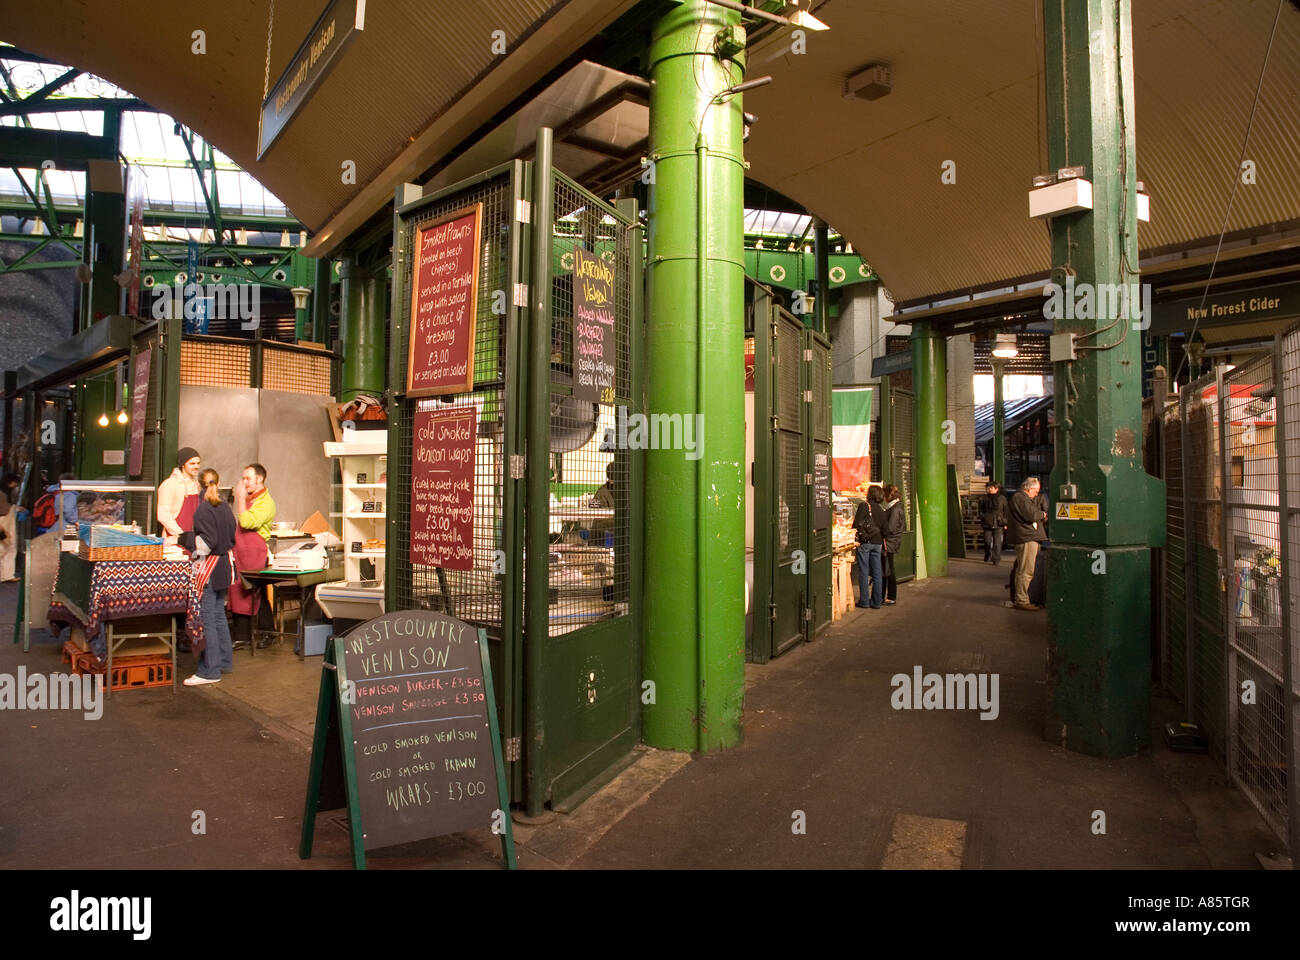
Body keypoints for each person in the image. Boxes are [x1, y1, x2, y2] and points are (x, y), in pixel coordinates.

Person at [180, 468, 237, 686]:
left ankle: (209, 671)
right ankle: (223, 661)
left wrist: (184, 538)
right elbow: (229, 536)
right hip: (224, 567)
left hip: (210, 568)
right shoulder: (225, 507)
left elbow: (206, 544)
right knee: (218, 616)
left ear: (198, 486)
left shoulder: (203, 509)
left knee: (207, 619)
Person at [231, 463, 276, 649]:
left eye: (248, 478)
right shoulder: (250, 499)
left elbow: (247, 522)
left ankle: (268, 632)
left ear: (260, 479)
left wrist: (240, 499)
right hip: (241, 550)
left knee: (257, 591)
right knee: (238, 590)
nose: (244, 482)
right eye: (243, 478)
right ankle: (242, 636)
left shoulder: (266, 503)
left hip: (256, 551)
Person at [1006, 476, 1047, 610]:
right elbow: (1032, 515)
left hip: (1026, 537)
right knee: (1026, 571)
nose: (1037, 494)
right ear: (1030, 489)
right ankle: (1022, 600)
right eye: (1036, 491)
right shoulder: (1020, 498)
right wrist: (1042, 514)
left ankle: (1020, 598)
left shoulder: (1021, 498)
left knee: (1023, 570)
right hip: (1026, 538)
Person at [158, 447, 201, 538]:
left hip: (194, 538)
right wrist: (181, 535)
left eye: (198, 463)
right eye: (192, 463)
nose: (196, 466)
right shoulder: (169, 484)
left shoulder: (196, 484)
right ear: (182, 465)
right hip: (175, 538)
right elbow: (163, 515)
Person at [853, 486, 884, 609]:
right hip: (877, 543)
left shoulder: (864, 506)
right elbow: (886, 529)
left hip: (865, 543)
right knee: (877, 573)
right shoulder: (881, 509)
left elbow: (856, 524)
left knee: (864, 572)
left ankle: (864, 601)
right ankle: (876, 602)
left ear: (869, 494)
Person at [878, 483, 905, 605]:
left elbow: (890, 527)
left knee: (888, 569)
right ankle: (886, 596)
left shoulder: (894, 509)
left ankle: (891, 596)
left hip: (890, 542)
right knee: (887, 569)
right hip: (892, 541)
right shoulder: (896, 507)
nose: (883, 498)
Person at [980, 481, 1008, 564]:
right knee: (987, 541)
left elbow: (1006, 511)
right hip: (987, 522)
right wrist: (983, 517)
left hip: (998, 523)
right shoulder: (984, 498)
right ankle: (987, 554)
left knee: (997, 542)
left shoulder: (1002, 498)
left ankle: (996, 559)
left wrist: (1005, 523)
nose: (989, 490)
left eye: (991, 488)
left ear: (996, 489)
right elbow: (981, 509)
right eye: (988, 488)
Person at [0, 473, 20, 582]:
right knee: (8, 547)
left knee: (8, 547)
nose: (15, 485)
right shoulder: (3, 494)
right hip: (4, 523)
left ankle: (7, 575)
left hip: (6, 522)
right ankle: (6, 575)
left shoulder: (5, 493)